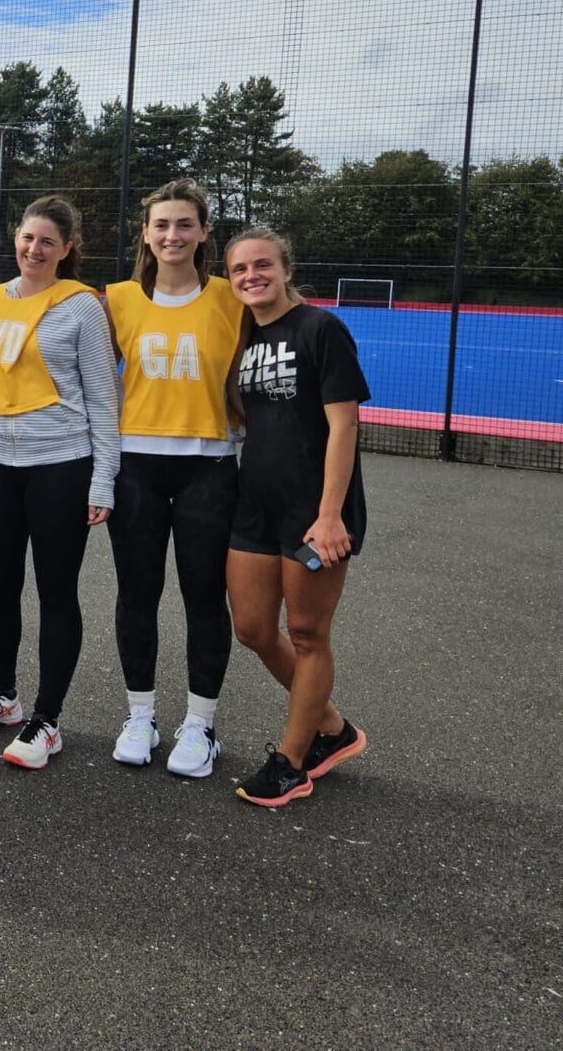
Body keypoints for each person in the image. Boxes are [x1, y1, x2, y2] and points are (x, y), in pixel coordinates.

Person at [0, 196, 120, 769]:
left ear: (66, 249)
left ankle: (47, 720)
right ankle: (3, 693)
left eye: (48, 242)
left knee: (55, 593)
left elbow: (103, 398)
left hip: (61, 466)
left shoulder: (82, 307)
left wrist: (104, 480)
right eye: (28, 238)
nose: (34, 249)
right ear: (16, 237)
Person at [224, 226, 371, 807]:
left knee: (308, 634)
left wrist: (330, 515)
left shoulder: (322, 329)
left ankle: (291, 762)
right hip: (255, 503)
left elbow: (345, 426)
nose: (251, 276)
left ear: (286, 269)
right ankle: (332, 728)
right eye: (239, 269)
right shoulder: (243, 335)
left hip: (316, 512)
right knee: (253, 629)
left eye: (263, 265)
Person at [102, 180, 245, 778]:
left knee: (203, 597)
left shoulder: (231, 299)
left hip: (208, 465)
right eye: (161, 225)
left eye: (185, 225)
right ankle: (141, 715)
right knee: (137, 594)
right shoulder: (117, 300)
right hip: (134, 463)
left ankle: (200, 724)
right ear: (145, 232)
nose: (172, 236)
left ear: (204, 232)